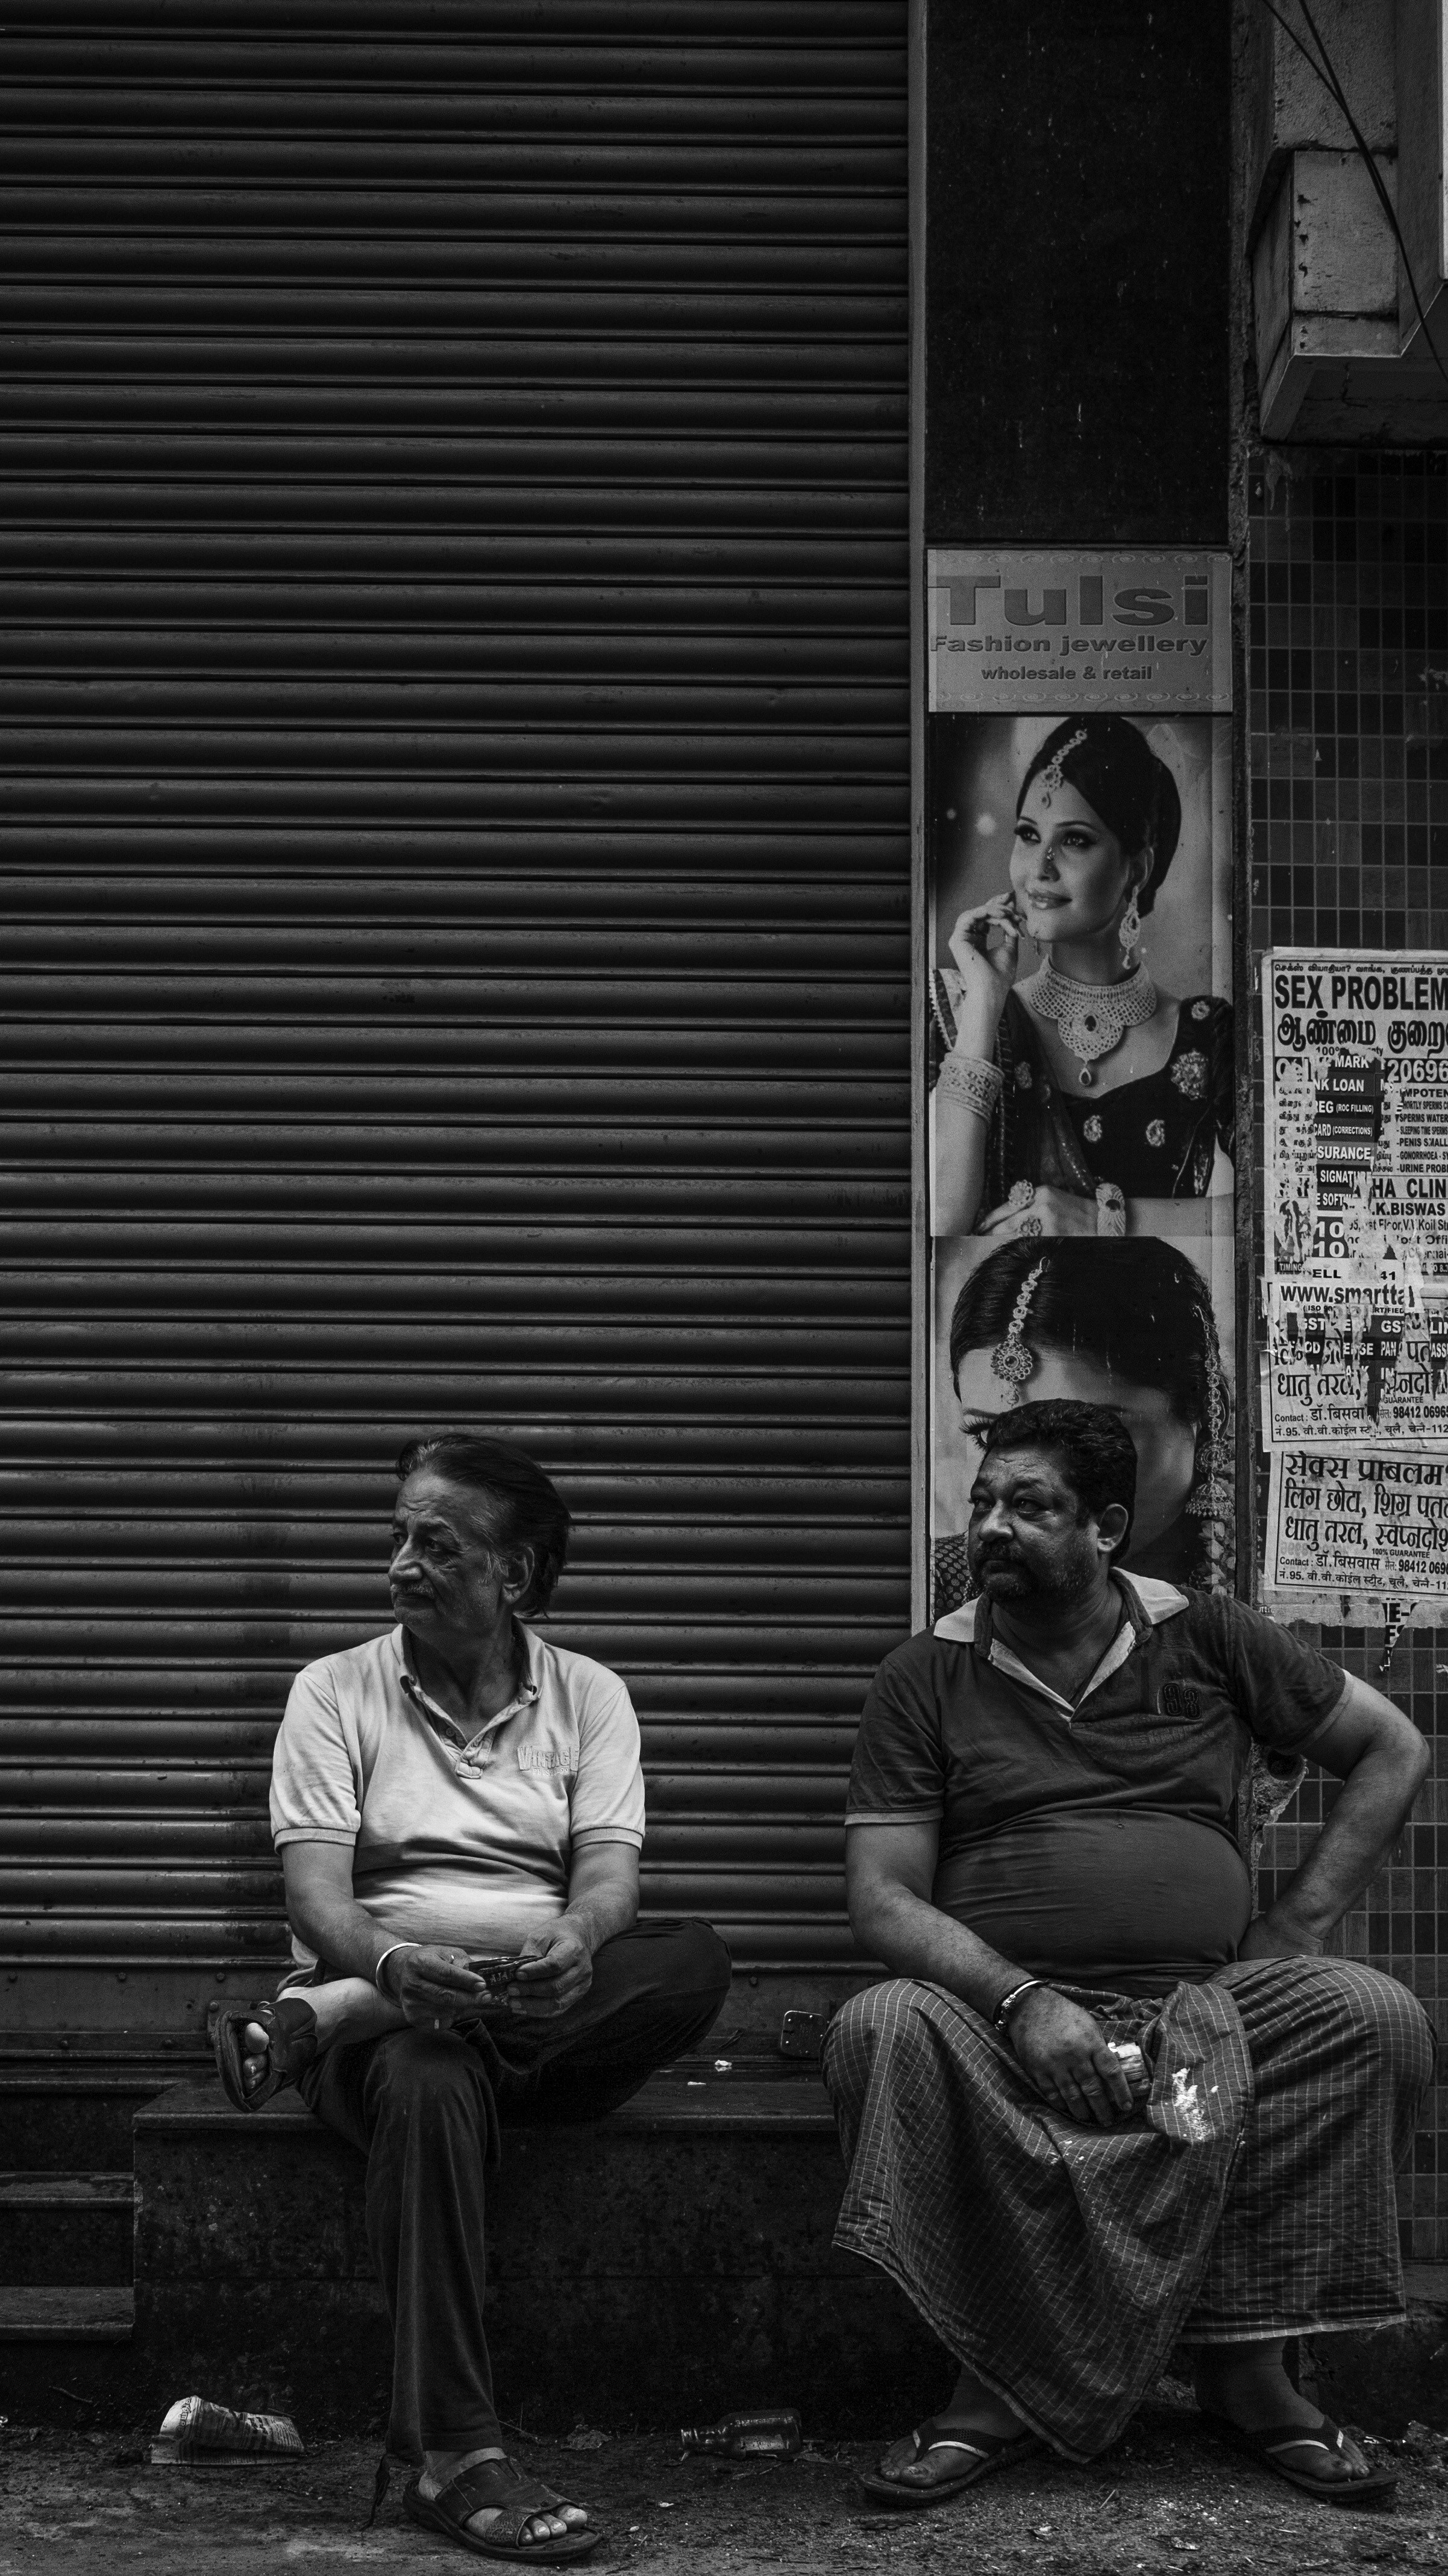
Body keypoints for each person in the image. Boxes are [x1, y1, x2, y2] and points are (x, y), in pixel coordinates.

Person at [826, 1399, 1433, 2510]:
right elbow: (881, 1900)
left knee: (1371, 2015)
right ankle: (990, 2382)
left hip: (1205, 2027)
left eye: (1029, 1505)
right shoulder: (925, 1674)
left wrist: (1290, 1932)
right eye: (983, 1502)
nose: (991, 1528)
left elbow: (1389, 1749)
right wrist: (1019, 2001)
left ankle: (1249, 2372)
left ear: (1105, 1525)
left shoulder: (1206, 1634)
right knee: (879, 2027)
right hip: (1006, 2035)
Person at [212, 1431, 731, 2563]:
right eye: (397, 1538)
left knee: (687, 1959)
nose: (399, 1564)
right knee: (426, 2070)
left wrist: (584, 1938)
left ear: (515, 1575)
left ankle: (327, 2021)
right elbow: (317, 1902)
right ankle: (454, 2457)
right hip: (403, 2029)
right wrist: (393, 1971)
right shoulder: (333, 1692)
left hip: (542, 2026)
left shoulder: (588, 1695)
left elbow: (608, 1879)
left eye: (434, 1545)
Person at [930, 715, 1233, 1240]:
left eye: (1074, 840)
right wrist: (983, 1007)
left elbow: (1278, 1209)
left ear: (1136, 871)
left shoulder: (1208, 1036)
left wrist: (1103, 1220)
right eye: (1028, 835)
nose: (1039, 867)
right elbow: (938, 1226)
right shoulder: (961, 1015)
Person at [932, 1238, 1231, 1612]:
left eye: (1085, 1435)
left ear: (1207, 1413)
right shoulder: (937, 1584)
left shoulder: (1256, 1587)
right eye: (990, 1437)